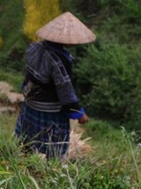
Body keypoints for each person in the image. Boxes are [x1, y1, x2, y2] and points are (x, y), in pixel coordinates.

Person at [15, 12, 95, 159]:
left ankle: (23, 160)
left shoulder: (35, 47)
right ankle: (53, 167)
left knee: (27, 138)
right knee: (54, 146)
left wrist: (25, 91)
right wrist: (78, 112)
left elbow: (28, 75)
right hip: (49, 109)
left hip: (31, 101)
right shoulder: (60, 60)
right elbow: (65, 90)